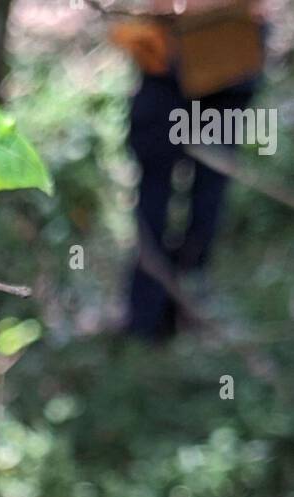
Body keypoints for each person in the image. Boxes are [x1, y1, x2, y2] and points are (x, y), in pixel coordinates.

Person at [111, 2, 269, 339]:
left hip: (226, 61)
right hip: (170, 62)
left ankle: (187, 305)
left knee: (208, 192)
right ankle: (147, 315)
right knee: (156, 192)